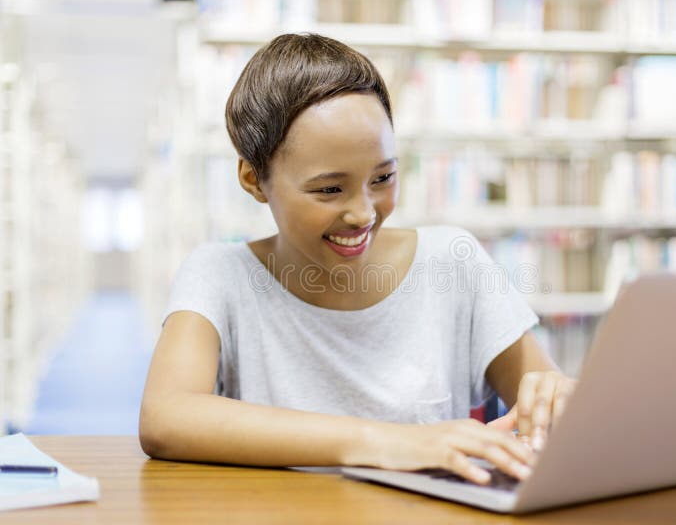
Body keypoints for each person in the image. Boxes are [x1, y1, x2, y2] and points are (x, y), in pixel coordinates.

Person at [139, 33, 576, 485]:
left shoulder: (454, 261)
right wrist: (385, 442)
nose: (364, 213)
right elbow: (166, 416)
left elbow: (548, 402)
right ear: (253, 179)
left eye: (383, 177)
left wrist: (557, 397)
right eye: (329, 189)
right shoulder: (220, 274)